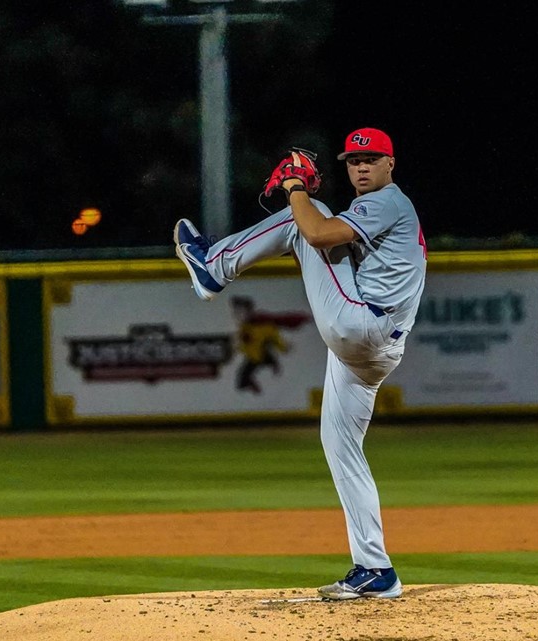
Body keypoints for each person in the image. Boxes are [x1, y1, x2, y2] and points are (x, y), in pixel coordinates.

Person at [173, 127, 427, 600]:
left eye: (371, 158)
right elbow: (321, 251)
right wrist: (300, 205)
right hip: (373, 348)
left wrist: (295, 190)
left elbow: (313, 231)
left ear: (392, 164)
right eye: (353, 161)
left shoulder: (388, 201)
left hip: (362, 329)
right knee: (340, 446)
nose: (362, 166)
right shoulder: (371, 214)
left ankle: (214, 265)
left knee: (305, 220)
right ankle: (376, 569)